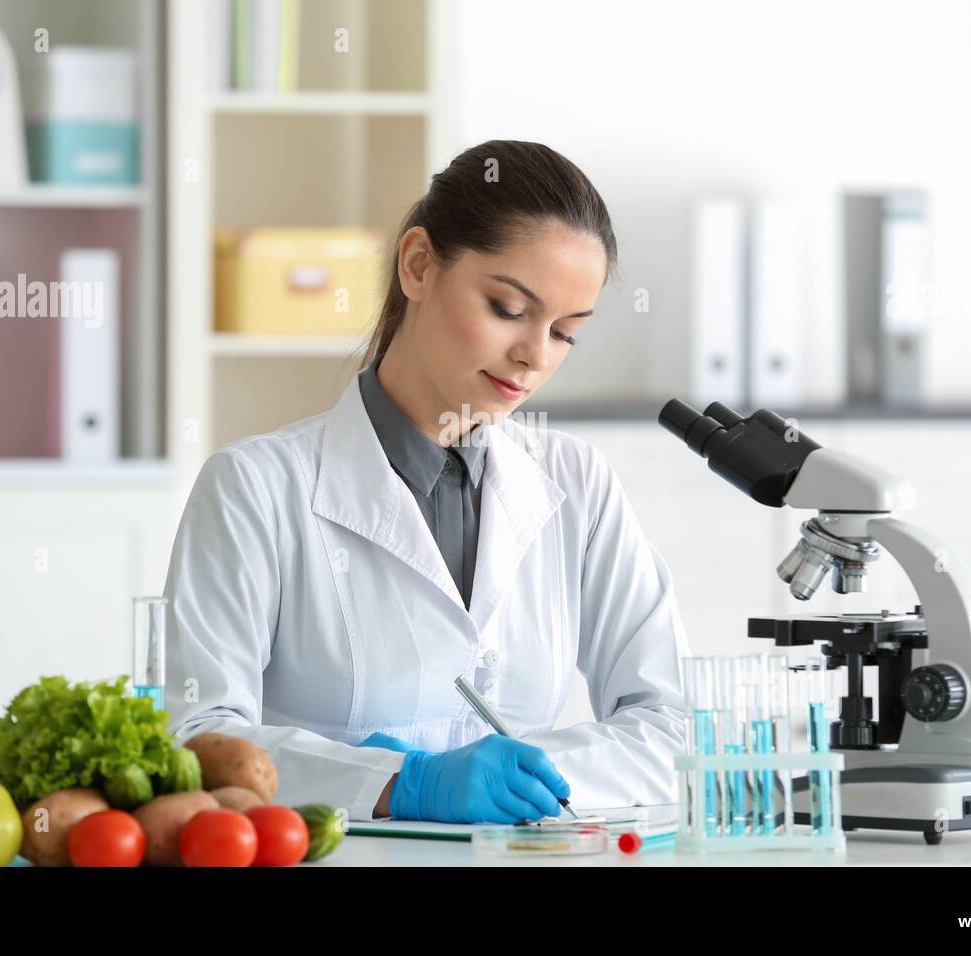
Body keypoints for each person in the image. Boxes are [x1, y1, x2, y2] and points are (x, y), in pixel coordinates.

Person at [163, 140, 689, 824]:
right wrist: (397, 783)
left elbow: (674, 729)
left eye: (566, 333)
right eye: (507, 308)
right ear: (417, 265)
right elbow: (195, 741)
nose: (534, 355)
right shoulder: (254, 489)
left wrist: (533, 781)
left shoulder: (578, 485)